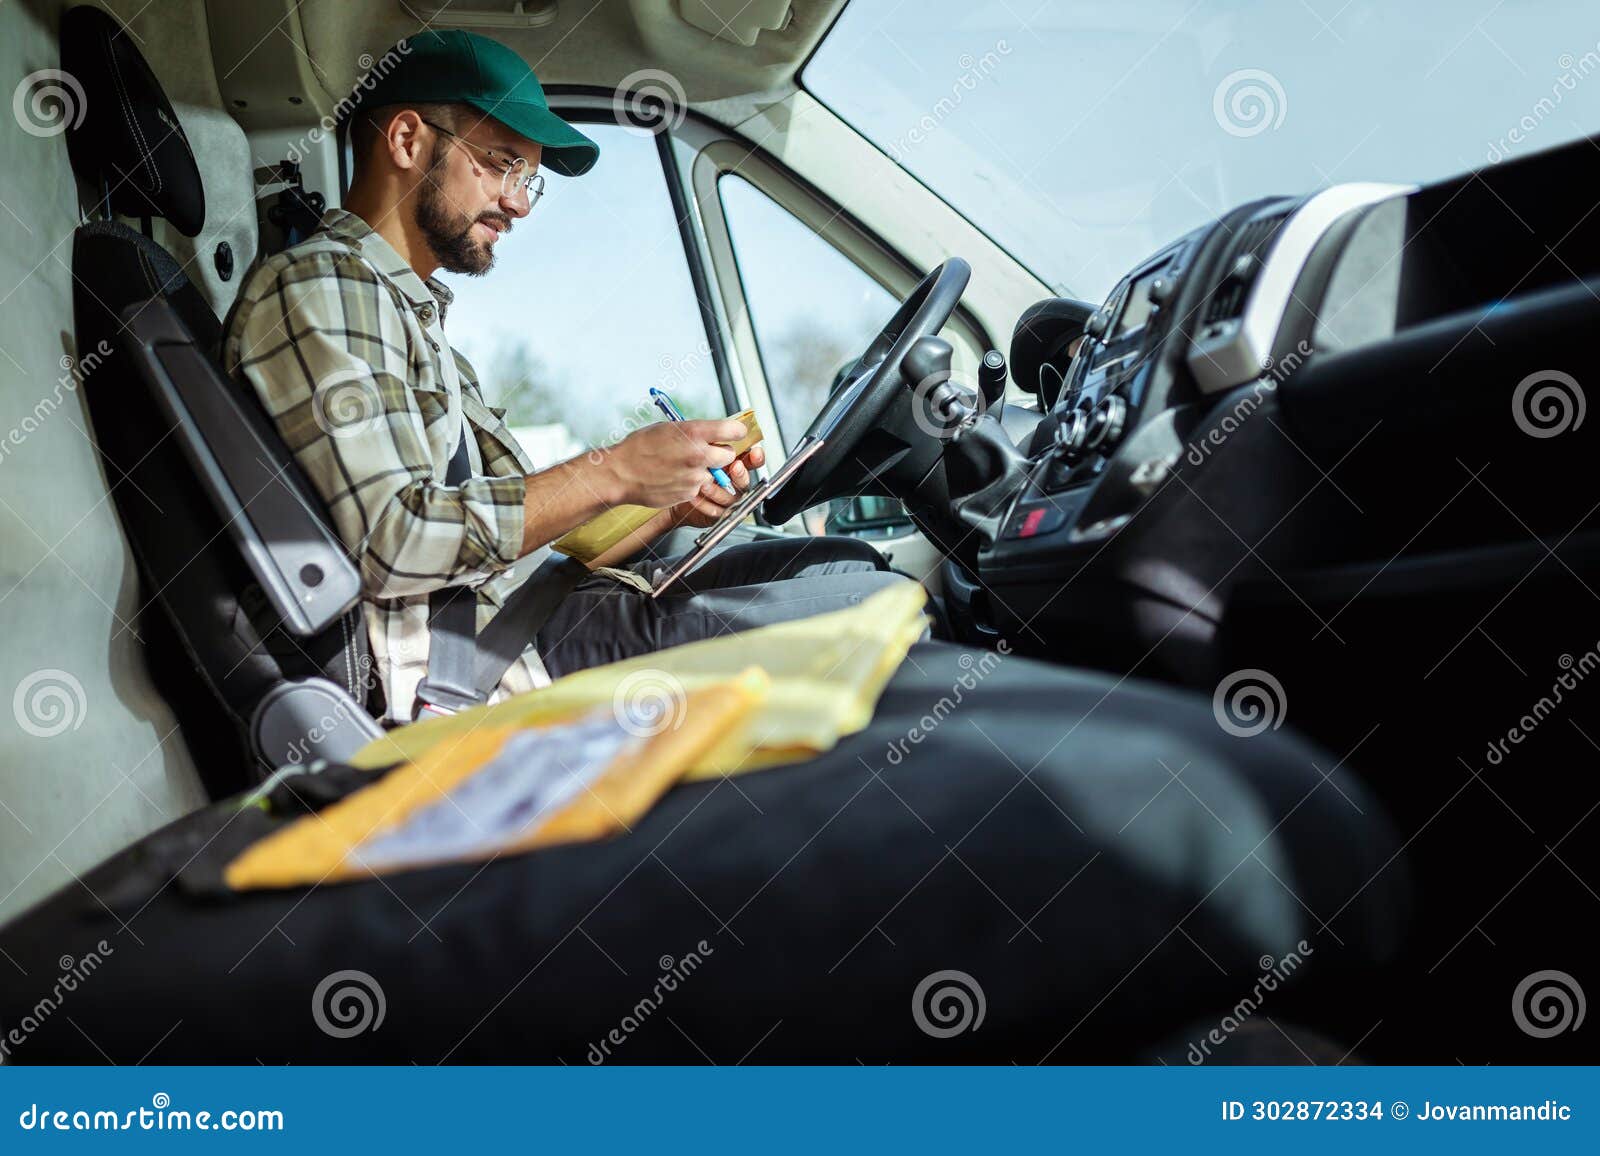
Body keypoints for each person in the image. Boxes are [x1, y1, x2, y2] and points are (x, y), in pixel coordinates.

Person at [223, 30, 901, 723]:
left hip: (524, 615)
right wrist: (612, 470)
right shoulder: (323, 289)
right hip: (481, 669)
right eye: (502, 165)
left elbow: (519, 533)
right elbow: (392, 540)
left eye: (529, 181)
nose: (518, 204)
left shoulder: (411, 318)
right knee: (873, 610)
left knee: (840, 564)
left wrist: (666, 498)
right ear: (405, 141)